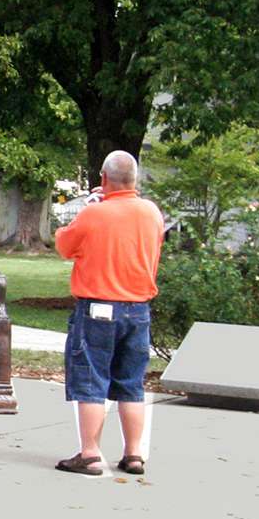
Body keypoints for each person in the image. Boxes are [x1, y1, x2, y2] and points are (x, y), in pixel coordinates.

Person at [52, 150, 163, 476]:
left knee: (91, 380)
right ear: (135, 180)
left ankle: (90, 453)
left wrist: (86, 209)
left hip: (98, 308)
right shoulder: (152, 213)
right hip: (138, 309)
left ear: (103, 179)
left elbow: (63, 246)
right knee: (131, 383)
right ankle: (133, 455)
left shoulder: (94, 215)